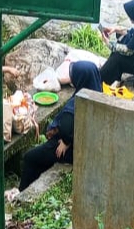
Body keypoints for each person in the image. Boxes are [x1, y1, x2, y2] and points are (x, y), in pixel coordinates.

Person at [14, 61, 101, 194]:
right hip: (89, 144)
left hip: (72, 150)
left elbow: (66, 125)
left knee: (30, 158)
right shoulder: (97, 93)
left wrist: (66, 141)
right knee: (41, 156)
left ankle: (22, 192)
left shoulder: (76, 103)